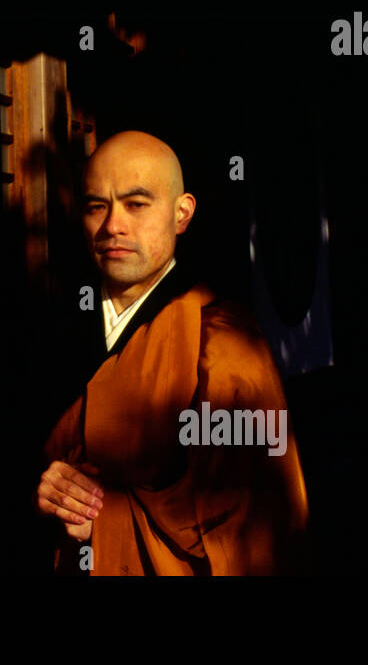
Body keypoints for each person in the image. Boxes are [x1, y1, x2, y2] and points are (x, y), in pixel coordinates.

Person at [36, 131, 309, 575]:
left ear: (181, 213)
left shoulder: (221, 341)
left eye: (136, 204)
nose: (113, 227)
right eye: (96, 207)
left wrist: (101, 522)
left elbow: (244, 516)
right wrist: (46, 494)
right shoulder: (49, 330)